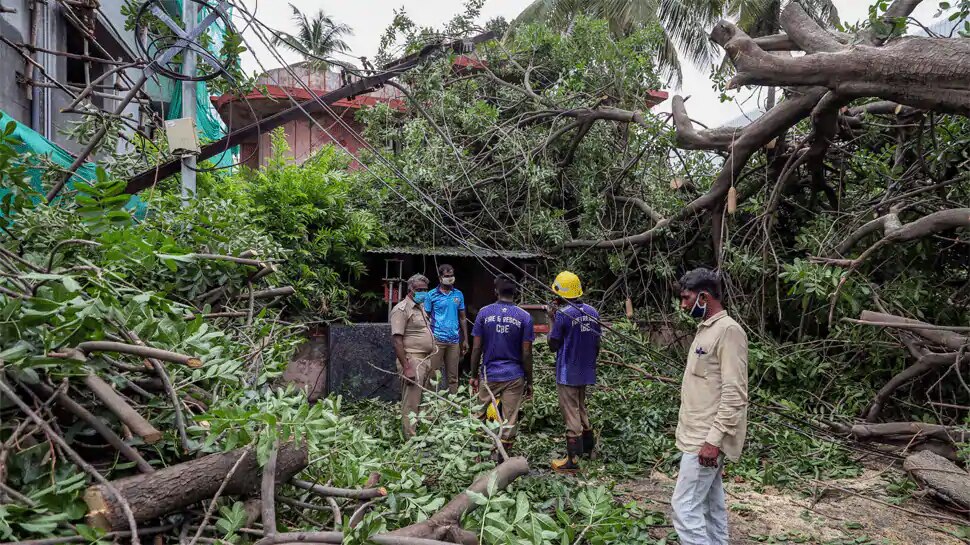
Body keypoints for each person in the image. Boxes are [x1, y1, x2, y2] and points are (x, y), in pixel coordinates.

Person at [672, 267, 749, 545]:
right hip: (695, 434)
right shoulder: (706, 330)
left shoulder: (729, 332)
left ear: (704, 297)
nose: (683, 305)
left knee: (684, 508)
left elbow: (735, 394)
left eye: (686, 298)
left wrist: (713, 441)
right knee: (708, 506)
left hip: (705, 439)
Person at [469, 274, 534, 458]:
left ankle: (476, 456)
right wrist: (529, 381)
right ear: (516, 292)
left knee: (479, 414)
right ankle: (501, 458)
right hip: (514, 375)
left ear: (496, 291)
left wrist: (473, 375)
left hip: (489, 374)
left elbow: (476, 348)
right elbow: (527, 353)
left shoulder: (484, 313)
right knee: (509, 419)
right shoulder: (525, 317)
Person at [547, 271, 601, 473]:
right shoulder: (593, 312)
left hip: (567, 372)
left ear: (560, 294)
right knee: (581, 407)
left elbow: (552, 344)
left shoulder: (563, 314)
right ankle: (589, 450)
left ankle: (573, 460)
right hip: (585, 370)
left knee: (571, 413)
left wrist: (551, 319)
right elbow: (597, 343)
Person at [390, 274, 435, 438]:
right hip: (412, 359)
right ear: (410, 289)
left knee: (427, 401)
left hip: (426, 359)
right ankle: (410, 440)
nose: (423, 292)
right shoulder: (401, 309)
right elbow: (397, 341)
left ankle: (425, 436)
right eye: (419, 289)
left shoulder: (420, 307)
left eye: (425, 289)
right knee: (411, 403)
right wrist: (407, 367)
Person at [425, 264, 468, 395]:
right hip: (437, 339)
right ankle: (431, 403)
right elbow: (426, 318)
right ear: (440, 278)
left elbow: (463, 318)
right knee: (433, 375)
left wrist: (465, 339)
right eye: (447, 276)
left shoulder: (458, 294)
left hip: (454, 341)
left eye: (451, 276)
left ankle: (452, 403)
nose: (450, 278)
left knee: (453, 377)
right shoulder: (431, 295)